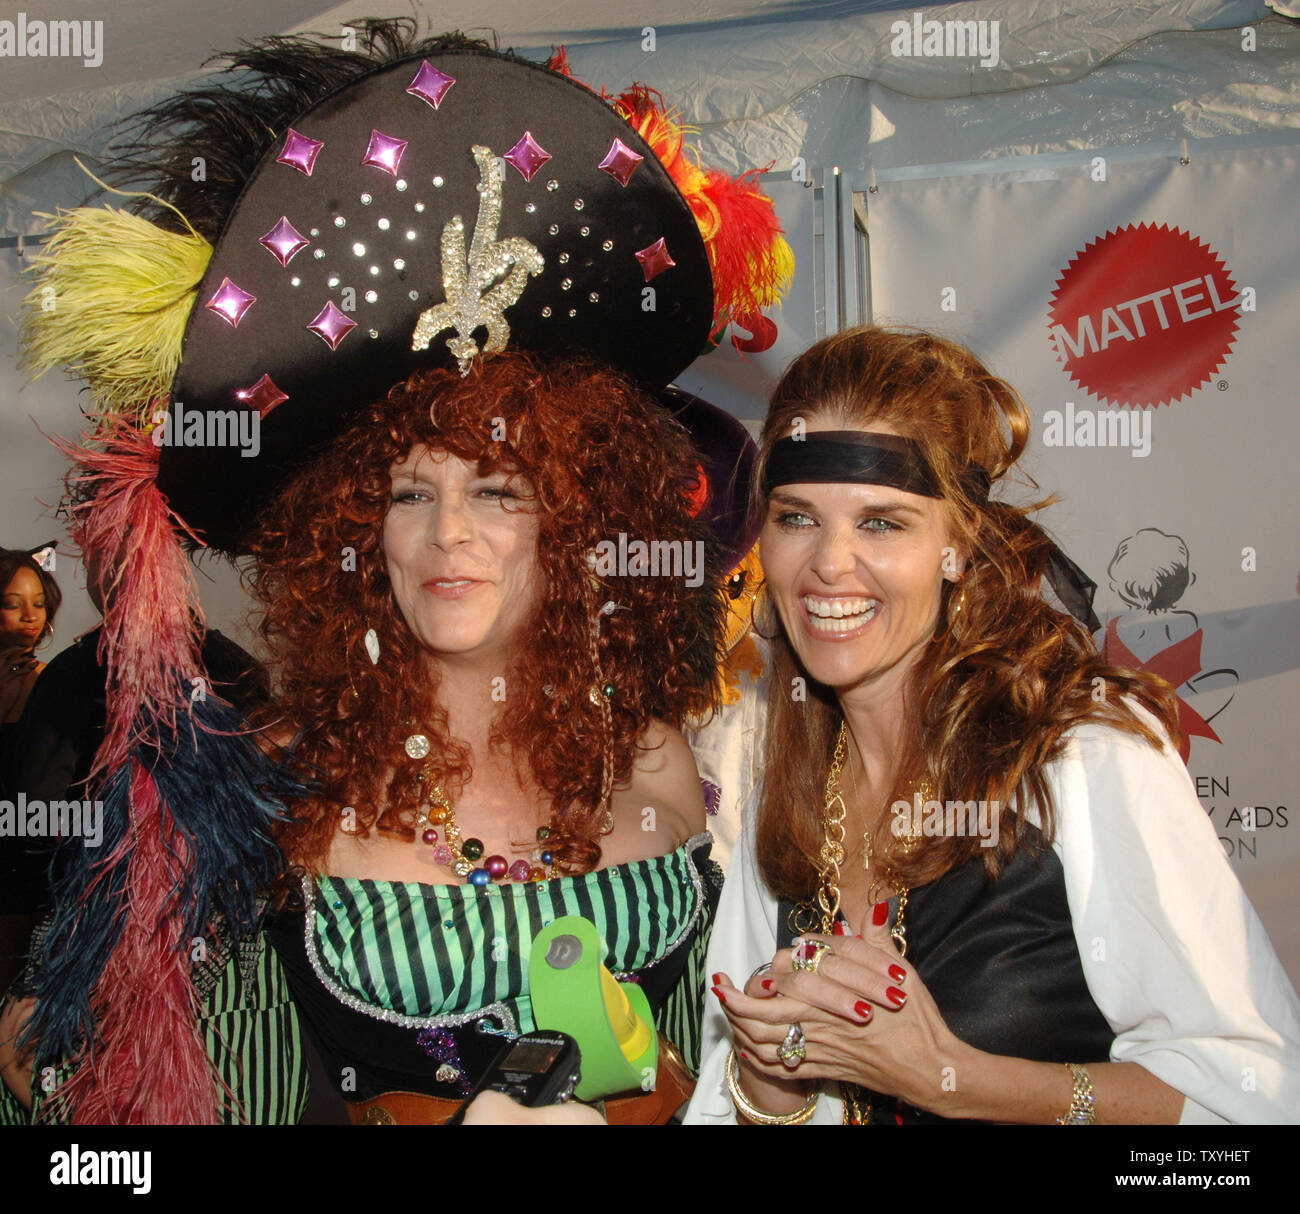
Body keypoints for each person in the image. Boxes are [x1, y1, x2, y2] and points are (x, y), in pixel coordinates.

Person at [1, 22, 788, 1124]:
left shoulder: (652, 755)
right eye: (409, 494)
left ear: (573, 522)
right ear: (356, 532)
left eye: (499, 491)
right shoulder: (264, 783)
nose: (446, 534)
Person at [685, 326, 1300, 1125]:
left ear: (957, 544)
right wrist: (771, 1081)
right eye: (797, 517)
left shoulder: (1081, 757)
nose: (829, 563)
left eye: (882, 522)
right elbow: (735, 1099)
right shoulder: (788, 789)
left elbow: (1258, 1092)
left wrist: (953, 1075)